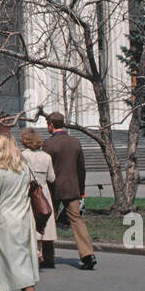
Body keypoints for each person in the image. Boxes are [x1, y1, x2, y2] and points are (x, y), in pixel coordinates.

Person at [0, 134, 45, 291]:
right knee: (9, 265)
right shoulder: (24, 169)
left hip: (4, 224)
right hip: (23, 221)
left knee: (14, 267)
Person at [44, 112, 97, 269]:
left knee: (48, 222)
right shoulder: (75, 142)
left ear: (51, 125)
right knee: (77, 220)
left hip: (53, 189)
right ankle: (88, 254)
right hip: (72, 188)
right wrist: (81, 190)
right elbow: (81, 168)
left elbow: (47, 168)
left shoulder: (48, 144)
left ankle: (48, 258)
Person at [20, 127, 57, 268]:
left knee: (31, 223)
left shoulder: (23, 155)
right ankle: (44, 253)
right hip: (43, 193)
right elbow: (52, 178)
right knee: (43, 222)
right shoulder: (46, 157)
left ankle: (34, 252)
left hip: (28, 193)